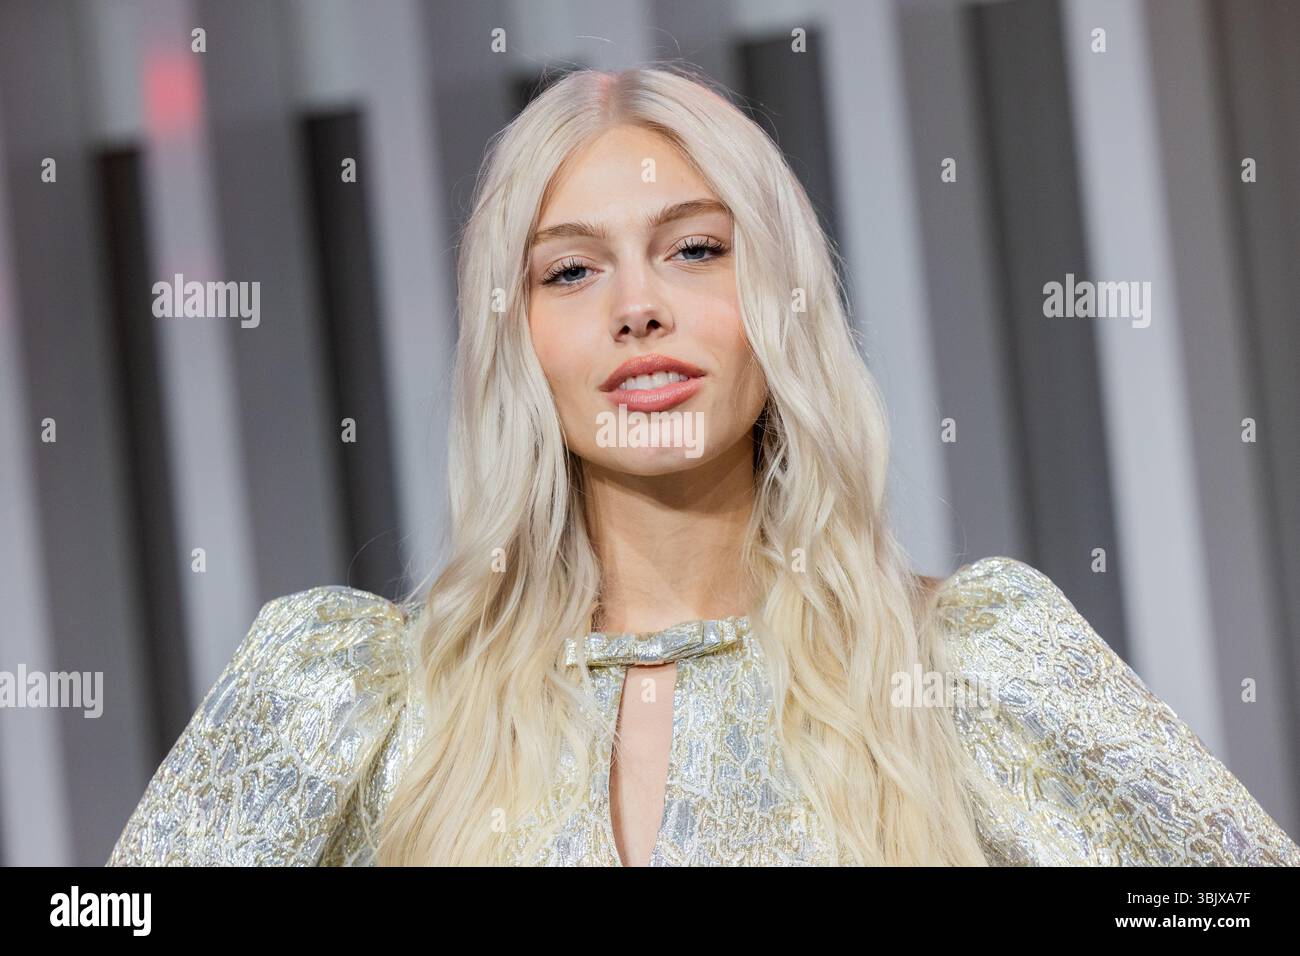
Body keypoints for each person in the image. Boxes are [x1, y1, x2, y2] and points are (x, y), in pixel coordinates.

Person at [106, 64, 1300, 867]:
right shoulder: (356, 699)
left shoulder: (969, 665)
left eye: (692, 249)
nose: (639, 307)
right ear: (514, 335)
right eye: (570, 270)